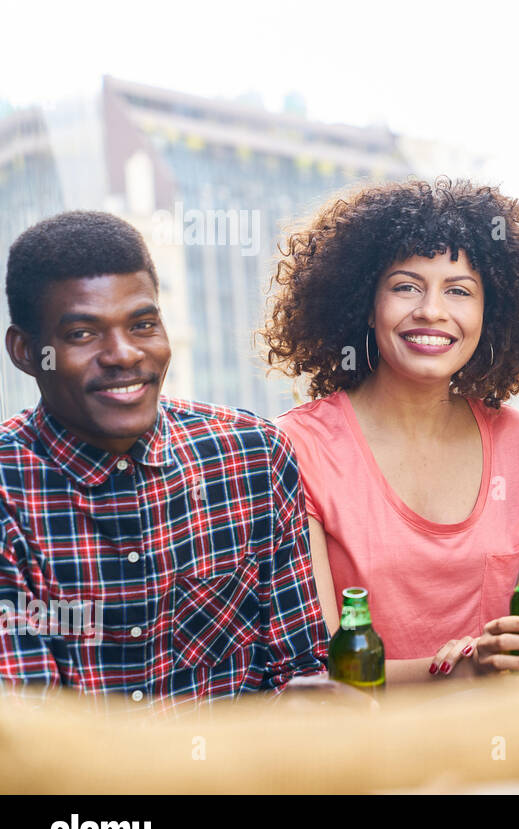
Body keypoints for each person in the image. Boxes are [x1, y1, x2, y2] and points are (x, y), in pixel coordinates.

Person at [0, 211, 327, 707]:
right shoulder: (8, 488)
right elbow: (29, 731)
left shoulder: (253, 457)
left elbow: (300, 673)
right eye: (83, 334)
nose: (124, 354)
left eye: (143, 324)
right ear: (25, 352)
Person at [264, 178, 519, 683]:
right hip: (373, 751)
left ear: (493, 313)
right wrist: (457, 673)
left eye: (459, 291)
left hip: (510, 743)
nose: (432, 310)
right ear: (364, 302)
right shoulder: (298, 448)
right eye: (405, 286)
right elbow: (319, 672)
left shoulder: (517, 440)